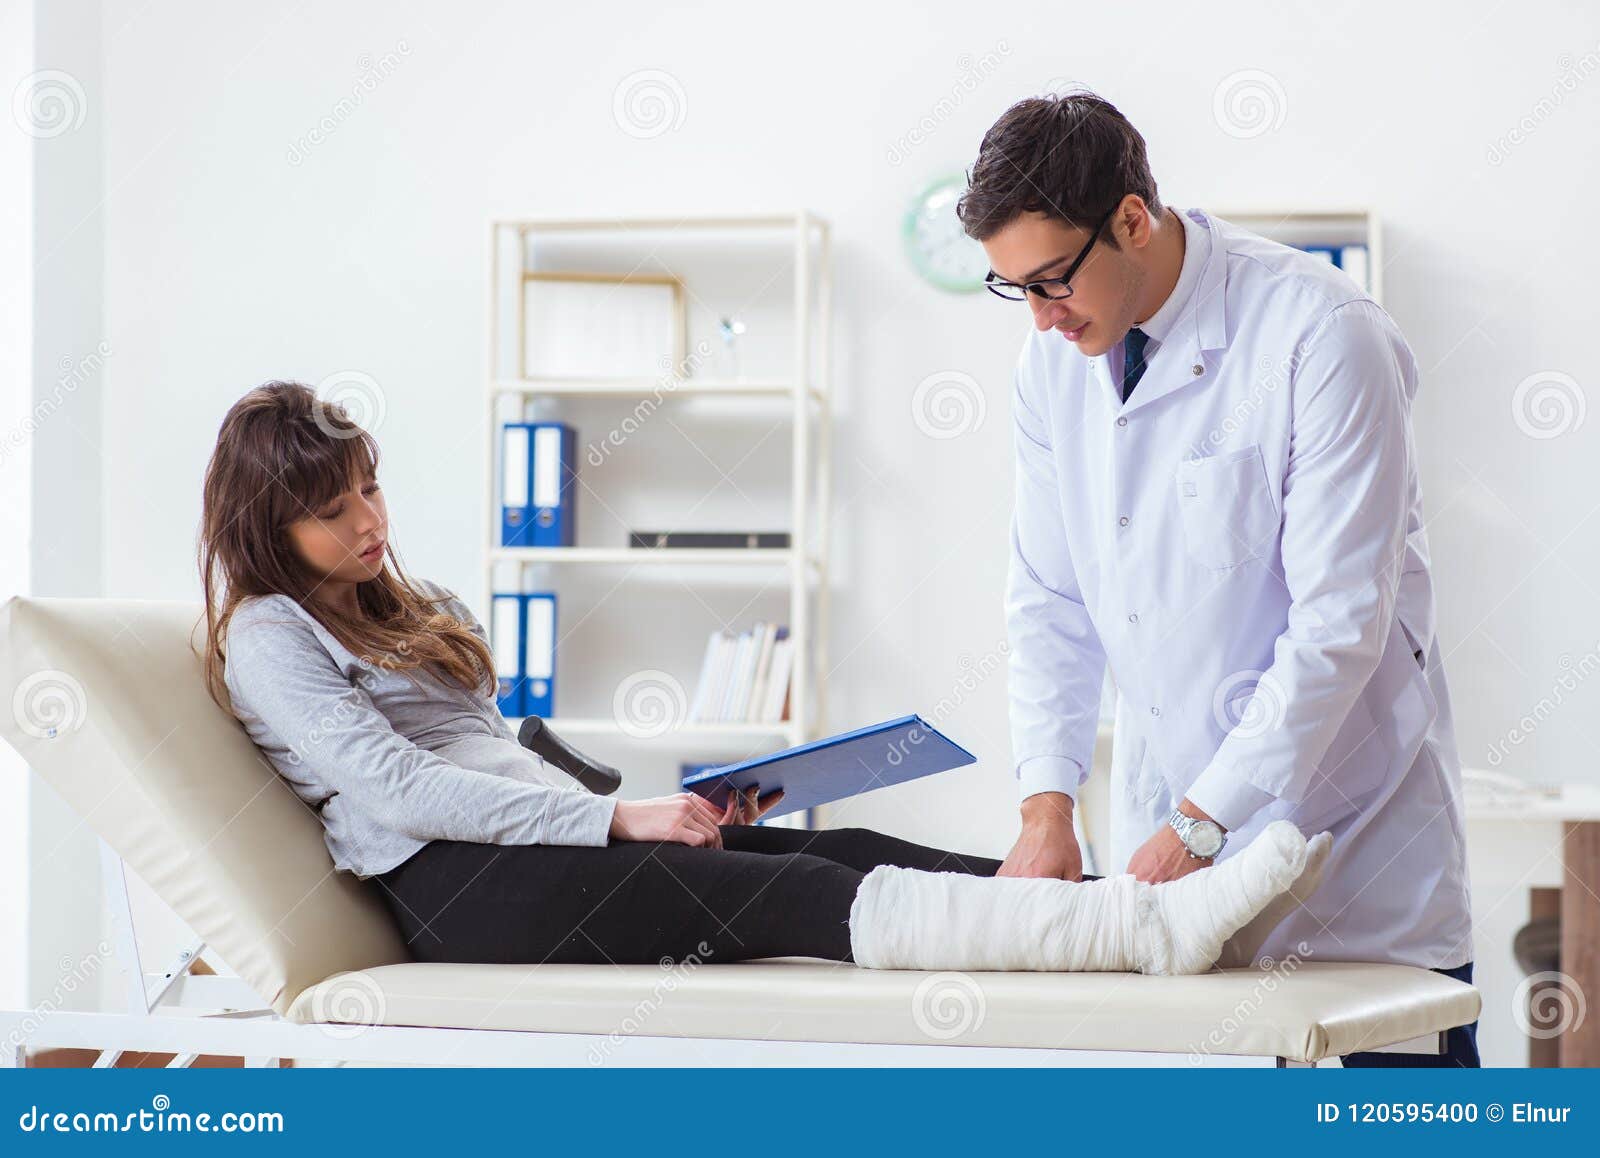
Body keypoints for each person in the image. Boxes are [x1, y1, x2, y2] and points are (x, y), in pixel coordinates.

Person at [198, 381, 1320, 979]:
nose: (370, 523)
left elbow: (495, 753)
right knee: (789, 899)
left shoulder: (388, 605)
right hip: (457, 885)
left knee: (836, 848)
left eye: (370, 491)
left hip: (534, 840)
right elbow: (397, 788)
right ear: (267, 523)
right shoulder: (268, 635)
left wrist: (647, 808)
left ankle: (1128, 909)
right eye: (333, 509)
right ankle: (1145, 940)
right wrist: (615, 819)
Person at [959, 91, 1476, 1065]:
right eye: (1013, 289)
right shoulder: (1054, 367)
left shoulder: (1321, 337)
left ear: (1130, 218)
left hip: (1348, 866)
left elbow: (1338, 624)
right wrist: (1047, 806)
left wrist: (1200, 827)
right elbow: (1049, 600)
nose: (1038, 319)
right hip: (1168, 887)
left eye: (1052, 282)